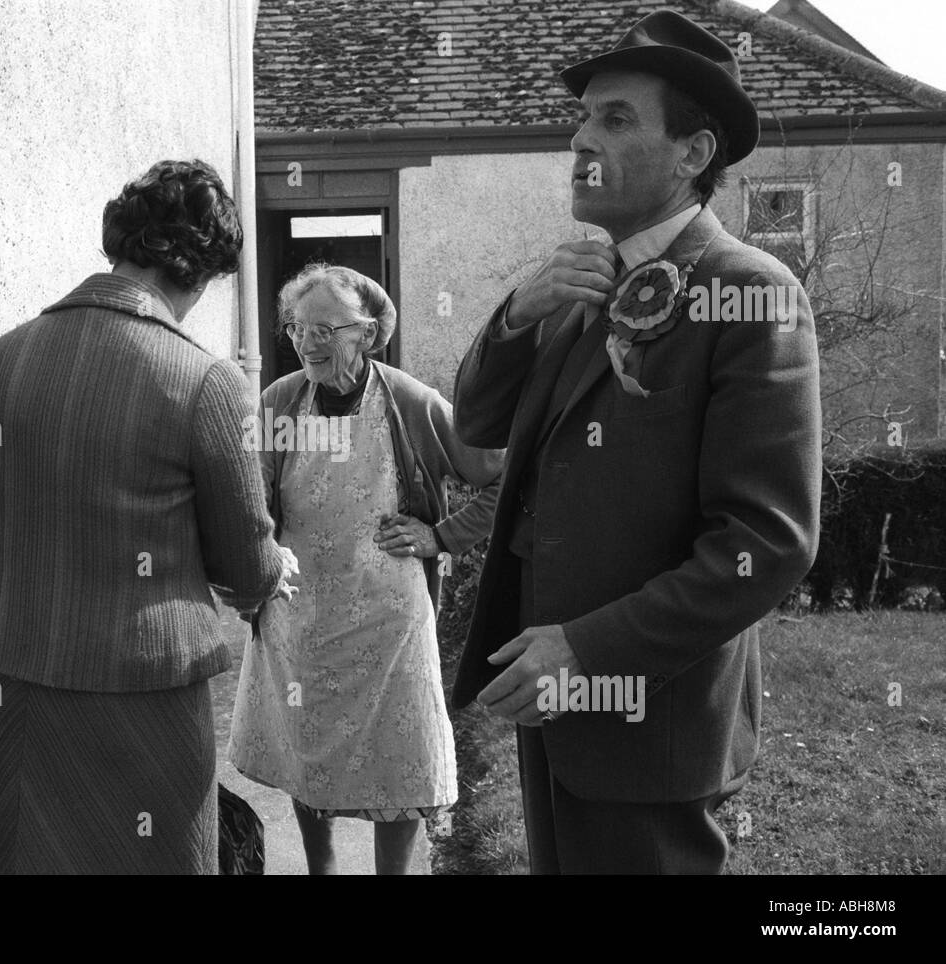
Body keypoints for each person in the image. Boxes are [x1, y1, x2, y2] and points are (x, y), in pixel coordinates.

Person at [450, 10, 822, 874]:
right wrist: (515, 314)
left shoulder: (750, 293)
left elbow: (767, 543)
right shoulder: (584, 280)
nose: (582, 136)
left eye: (615, 118)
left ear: (693, 154)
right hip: (552, 698)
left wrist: (588, 651)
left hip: (646, 716)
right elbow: (476, 428)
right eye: (581, 118)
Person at [0, 159, 295, 874]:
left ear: (120, 242)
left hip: (11, 683)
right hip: (143, 698)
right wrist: (273, 568)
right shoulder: (205, 381)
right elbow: (246, 567)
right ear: (203, 272)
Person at [229, 263, 505, 874]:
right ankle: (322, 868)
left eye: (328, 330)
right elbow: (252, 500)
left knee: (399, 760)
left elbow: (502, 478)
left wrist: (441, 537)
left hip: (389, 623)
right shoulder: (280, 400)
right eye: (299, 329)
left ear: (369, 332)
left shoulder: (410, 402)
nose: (308, 343)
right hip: (299, 620)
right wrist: (254, 564)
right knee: (307, 752)